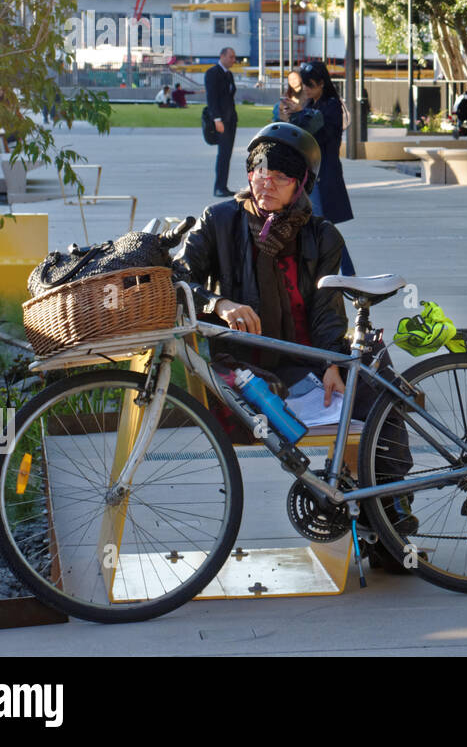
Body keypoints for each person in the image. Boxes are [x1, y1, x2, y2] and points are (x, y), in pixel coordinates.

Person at [173, 120, 409, 569]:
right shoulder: (219, 221)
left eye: (281, 176)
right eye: (260, 171)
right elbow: (176, 278)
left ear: (300, 184)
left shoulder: (321, 236)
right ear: (248, 174)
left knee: (379, 389)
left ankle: (389, 516)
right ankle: (381, 518)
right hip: (249, 368)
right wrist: (218, 301)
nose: (267, 182)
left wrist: (332, 364)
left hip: (308, 361)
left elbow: (326, 313)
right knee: (352, 394)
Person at [287, 60, 356, 275]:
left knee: (321, 224)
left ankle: (344, 272)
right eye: (304, 85)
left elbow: (319, 133)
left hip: (324, 174)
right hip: (311, 173)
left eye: (310, 85)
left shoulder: (332, 106)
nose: (306, 89)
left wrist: (300, 113)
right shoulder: (312, 105)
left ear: (321, 84)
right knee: (318, 224)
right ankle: (340, 272)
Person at [205, 46, 239, 196]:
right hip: (221, 121)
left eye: (234, 57)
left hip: (231, 119)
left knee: (227, 154)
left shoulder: (229, 74)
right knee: (223, 154)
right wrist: (217, 119)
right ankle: (218, 187)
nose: (233, 60)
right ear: (222, 56)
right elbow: (212, 98)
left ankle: (223, 186)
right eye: (231, 57)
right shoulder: (213, 73)